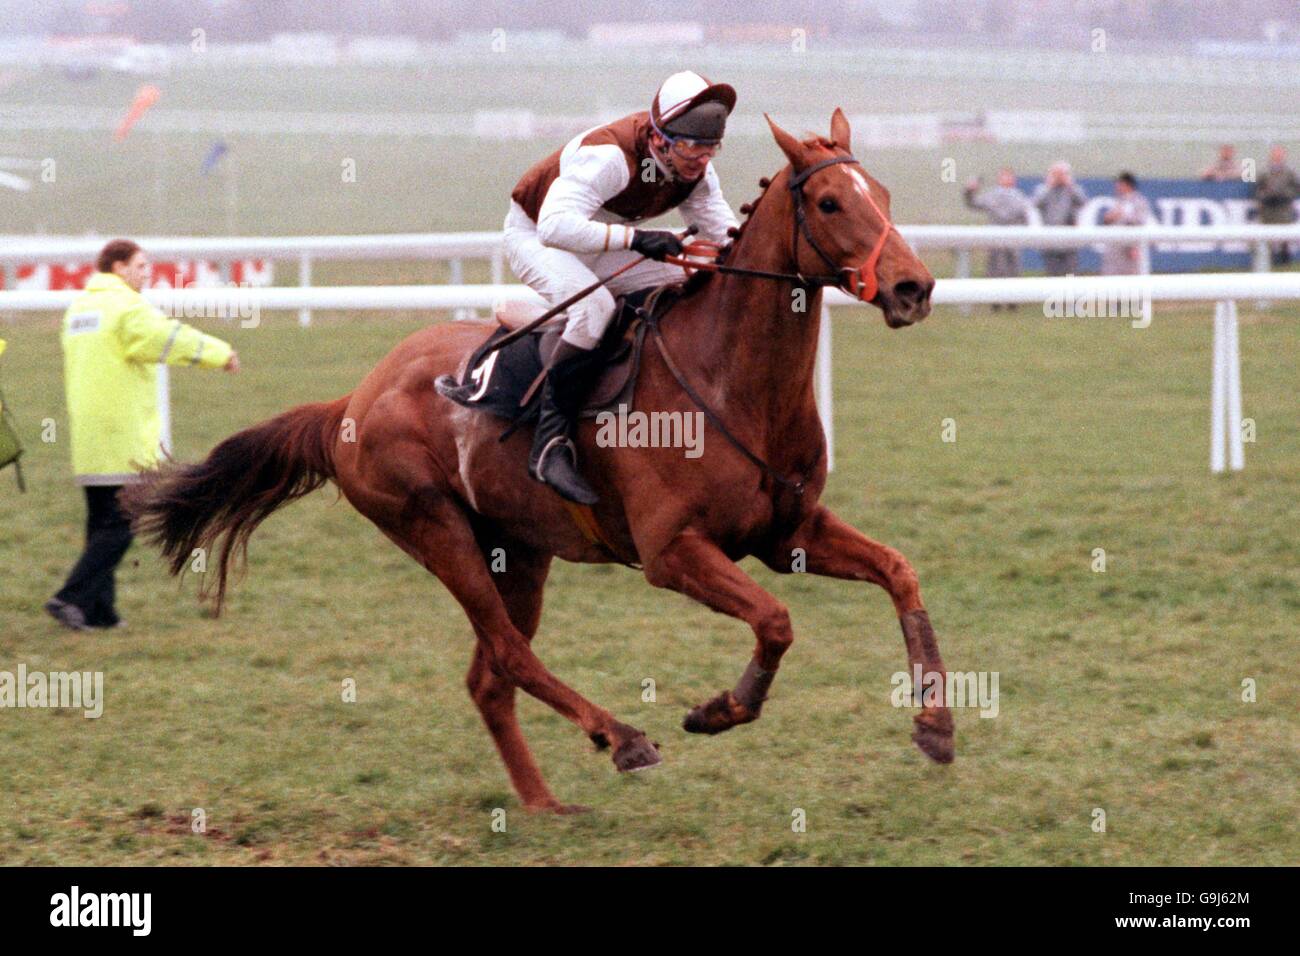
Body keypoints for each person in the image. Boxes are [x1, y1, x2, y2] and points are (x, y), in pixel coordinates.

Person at [504, 70, 739, 505]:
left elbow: (724, 231)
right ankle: (549, 444)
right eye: (690, 146)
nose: (700, 159)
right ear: (659, 137)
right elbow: (556, 227)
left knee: (686, 280)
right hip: (537, 235)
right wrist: (636, 240)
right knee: (593, 308)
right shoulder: (609, 158)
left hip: (597, 236)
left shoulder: (697, 173)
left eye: (710, 148)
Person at [45, 239, 239, 631]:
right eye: (140, 266)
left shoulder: (79, 308)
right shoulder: (128, 309)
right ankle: (70, 596)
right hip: (123, 436)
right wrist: (220, 354)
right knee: (122, 525)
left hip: (89, 437)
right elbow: (170, 338)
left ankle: (99, 613)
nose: (146, 273)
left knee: (101, 525)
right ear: (118, 267)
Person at [963, 167, 1030, 309]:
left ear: (1013, 180)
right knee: (995, 269)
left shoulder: (1019, 196)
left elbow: (1026, 217)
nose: (1006, 180)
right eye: (1003, 177)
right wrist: (970, 191)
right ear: (999, 179)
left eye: (1008, 177)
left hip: (1013, 237)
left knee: (1013, 269)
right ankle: (995, 301)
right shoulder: (992, 195)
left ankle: (1013, 301)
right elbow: (973, 203)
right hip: (995, 238)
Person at [1032, 161, 1088, 276]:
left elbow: (1083, 202)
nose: (1059, 177)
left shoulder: (1073, 190)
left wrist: (1070, 185)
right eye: (1056, 174)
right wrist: (1049, 185)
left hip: (1069, 240)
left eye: (1062, 174)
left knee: (1070, 274)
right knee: (1053, 274)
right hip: (1050, 239)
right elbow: (1035, 204)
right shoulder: (1043, 189)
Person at [1253, 145, 1300, 266]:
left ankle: (1285, 262)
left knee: (1285, 237)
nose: (1277, 157)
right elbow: (1257, 189)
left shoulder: (1289, 172)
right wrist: (1266, 196)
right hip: (1268, 210)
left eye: (1280, 154)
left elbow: (1295, 188)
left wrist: (1285, 194)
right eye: (1275, 154)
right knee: (1268, 237)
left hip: (1283, 209)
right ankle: (1270, 261)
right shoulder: (1264, 172)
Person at [1100, 172, 1152, 275]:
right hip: (1115, 248)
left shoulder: (1139, 201)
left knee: (1130, 280)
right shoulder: (1118, 201)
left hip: (1129, 249)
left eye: (1119, 183)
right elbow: (1107, 220)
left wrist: (1134, 245)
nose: (1117, 186)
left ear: (1126, 184)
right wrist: (1109, 218)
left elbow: (1139, 222)